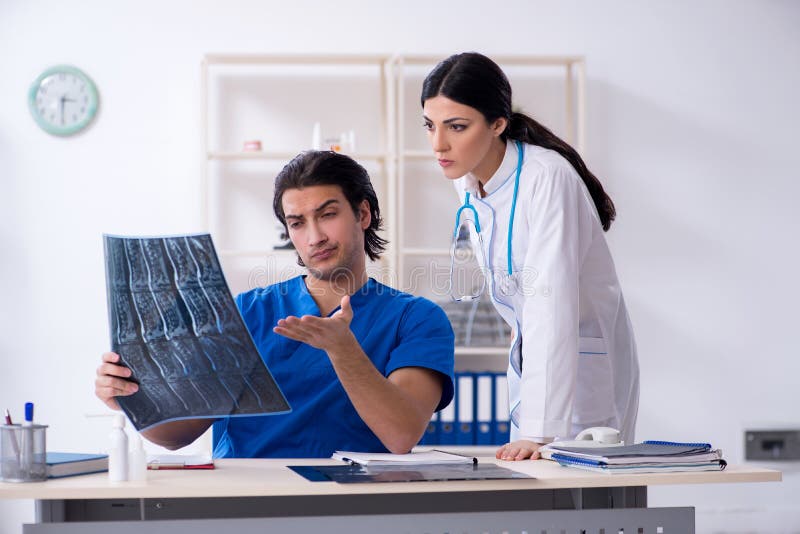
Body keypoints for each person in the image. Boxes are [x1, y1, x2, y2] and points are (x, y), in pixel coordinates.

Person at [95, 150, 455, 458]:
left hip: (351, 505)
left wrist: (343, 350)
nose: (314, 237)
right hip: (248, 503)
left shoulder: (417, 319)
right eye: (297, 223)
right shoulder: (245, 312)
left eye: (328, 214)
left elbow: (401, 435)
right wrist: (130, 398)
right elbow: (176, 436)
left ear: (363, 214)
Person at [420, 52, 639, 461]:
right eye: (430, 126)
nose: (438, 144)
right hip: (534, 365)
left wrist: (537, 432)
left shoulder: (547, 177)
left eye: (457, 127)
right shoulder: (468, 181)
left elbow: (548, 302)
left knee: (588, 511)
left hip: (581, 366)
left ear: (497, 124)